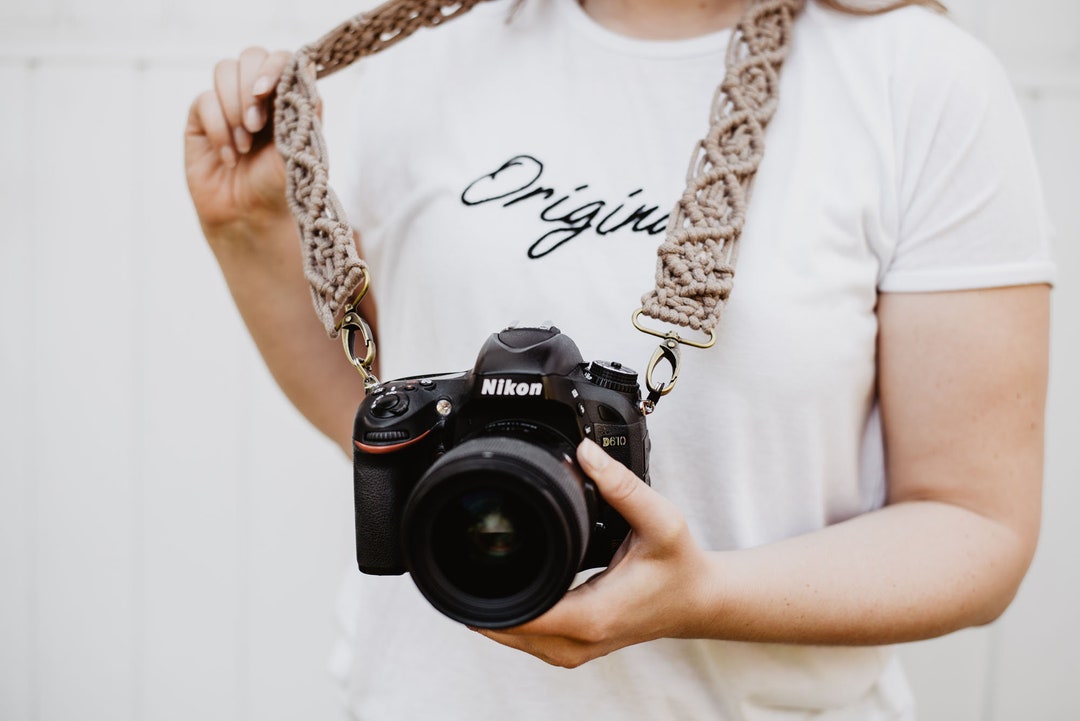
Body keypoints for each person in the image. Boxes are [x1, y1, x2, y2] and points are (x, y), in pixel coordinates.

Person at [184, 0, 1053, 718]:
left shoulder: (921, 82)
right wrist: (250, 231)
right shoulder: (418, 50)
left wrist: (706, 593)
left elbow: (975, 525)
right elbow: (370, 414)